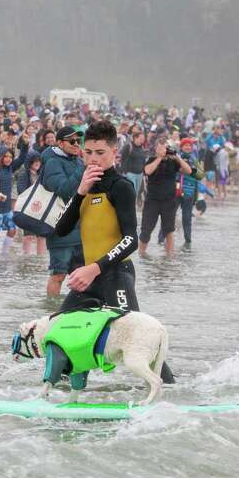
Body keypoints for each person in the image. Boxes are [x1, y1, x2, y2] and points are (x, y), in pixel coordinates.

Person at [52, 120, 174, 384]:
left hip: (115, 274)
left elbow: (131, 239)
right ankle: (63, 394)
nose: (93, 159)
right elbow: (60, 229)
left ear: (114, 152)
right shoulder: (83, 187)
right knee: (61, 332)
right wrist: (81, 192)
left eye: (100, 153)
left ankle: (174, 395)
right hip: (89, 278)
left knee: (135, 337)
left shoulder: (121, 186)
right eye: (88, 152)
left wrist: (94, 267)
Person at [41, 126, 85, 296]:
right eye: (72, 141)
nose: (76, 144)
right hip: (61, 229)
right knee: (58, 275)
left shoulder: (79, 162)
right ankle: (51, 312)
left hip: (81, 230)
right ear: (59, 143)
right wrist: (83, 169)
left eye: (78, 141)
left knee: (81, 276)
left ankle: (78, 310)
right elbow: (64, 190)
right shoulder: (52, 162)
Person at [138, 138, 192, 256]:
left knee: (169, 230)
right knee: (146, 230)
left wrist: (177, 157)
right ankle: (141, 254)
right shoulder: (151, 160)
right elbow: (147, 171)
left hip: (169, 201)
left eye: (166, 147)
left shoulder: (173, 161)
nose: (164, 150)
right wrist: (160, 158)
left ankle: (169, 258)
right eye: (161, 147)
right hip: (152, 200)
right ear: (156, 149)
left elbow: (188, 170)